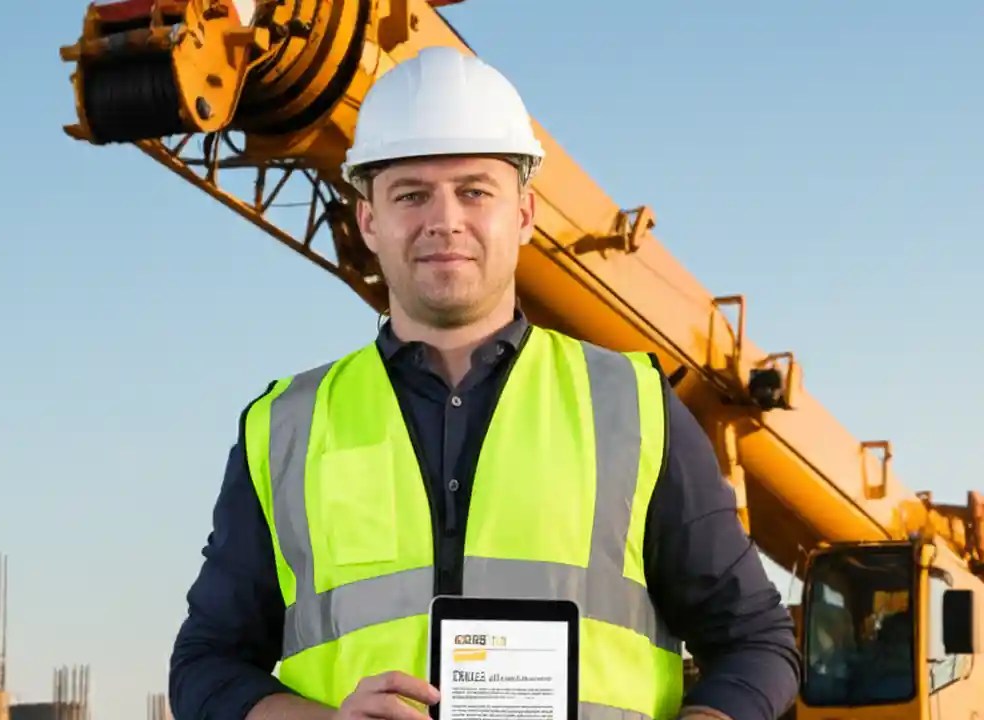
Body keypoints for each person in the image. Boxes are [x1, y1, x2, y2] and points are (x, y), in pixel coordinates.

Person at [168, 46, 801, 720]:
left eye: (475, 190)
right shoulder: (285, 427)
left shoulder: (636, 408)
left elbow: (756, 644)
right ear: (369, 221)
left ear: (524, 214)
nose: (445, 219)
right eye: (411, 194)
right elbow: (206, 664)